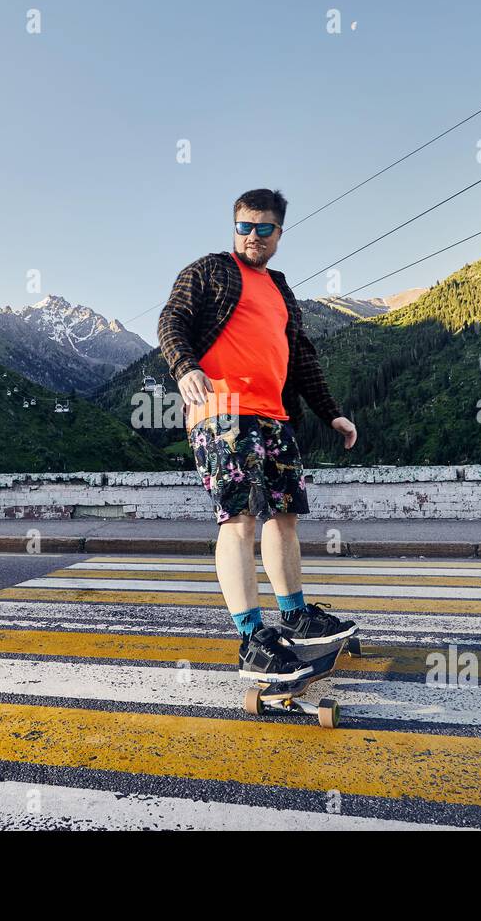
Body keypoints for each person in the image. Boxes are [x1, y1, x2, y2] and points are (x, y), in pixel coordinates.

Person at [157, 188, 359, 681]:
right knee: (240, 518)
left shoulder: (281, 289)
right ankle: (252, 639)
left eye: (262, 228)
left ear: (279, 233)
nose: (251, 237)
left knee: (285, 517)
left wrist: (332, 413)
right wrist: (184, 367)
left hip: (275, 416)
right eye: (243, 227)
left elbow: (302, 358)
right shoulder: (209, 270)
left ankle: (295, 616)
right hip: (221, 408)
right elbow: (171, 321)